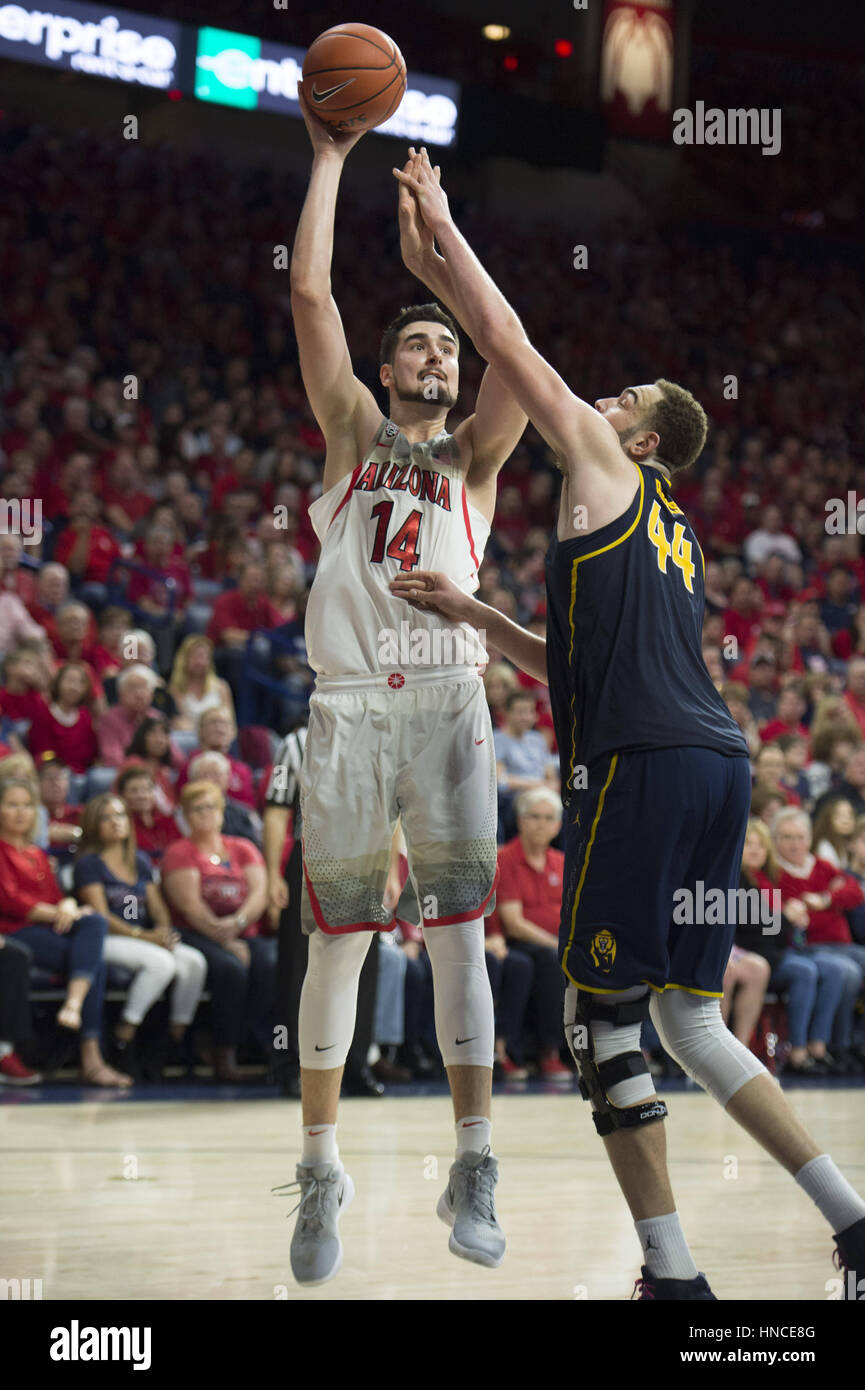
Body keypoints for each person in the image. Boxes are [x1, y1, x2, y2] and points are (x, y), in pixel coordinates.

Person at [389, 146, 865, 1299]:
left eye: (626, 401)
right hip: (715, 764)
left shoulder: (602, 459)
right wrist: (472, 609)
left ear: (641, 439)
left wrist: (445, 223)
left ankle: (671, 1276)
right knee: (690, 1026)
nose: (602, 402)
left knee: (600, 1026)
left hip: (646, 768)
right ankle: (855, 1223)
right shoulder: (668, 531)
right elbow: (577, 661)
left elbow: (507, 347)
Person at [282, 115, 527, 1289]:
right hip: (342, 709)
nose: (437, 355)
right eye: (417, 344)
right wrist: (330, 158)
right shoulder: (351, 433)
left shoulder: (478, 458)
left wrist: (445, 242)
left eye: (446, 346)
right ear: (388, 373)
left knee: (457, 936)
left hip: (446, 703)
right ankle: (320, 1166)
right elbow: (314, 299)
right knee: (336, 952)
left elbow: (510, 345)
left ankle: (472, 1158)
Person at [0, 775, 131, 1087]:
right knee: (91, 961)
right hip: (16, 930)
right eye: (11, 805)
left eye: (27, 805)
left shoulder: (37, 853)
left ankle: (75, 1007)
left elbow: (58, 899)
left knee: (94, 923)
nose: (21, 812)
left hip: (50, 929)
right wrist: (58, 911)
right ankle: (91, 1057)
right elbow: (10, 899)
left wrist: (69, 906)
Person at [73, 793, 207, 1078]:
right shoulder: (89, 864)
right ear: (94, 824)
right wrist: (142, 935)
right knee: (161, 963)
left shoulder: (140, 861)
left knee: (194, 962)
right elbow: (100, 915)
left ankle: (172, 1039)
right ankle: (125, 1034)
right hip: (105, 938)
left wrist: (163, 930)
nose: (116, 822)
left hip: (144, 936)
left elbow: (157, 908)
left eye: (120, 815)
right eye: (106, 817)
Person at [161, 781, 272, 1083]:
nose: (206, 813)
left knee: (271, 963)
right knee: (230, 969)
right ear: (185, 815)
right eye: (197, 808)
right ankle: (223, 1051)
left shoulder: (243, 847)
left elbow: (260, 894)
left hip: (241, 928)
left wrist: (237, 925)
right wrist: (223, 938)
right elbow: (189, 905)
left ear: (222, 812)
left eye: (211, 806)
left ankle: (259, 1043)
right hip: (195, 932)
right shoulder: (180, 852)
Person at [492, 787, 570, 1079]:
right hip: (521, 942)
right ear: (521, 821)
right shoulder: (507, 859)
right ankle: (548, 1051)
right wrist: (556, 943)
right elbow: (513, 922)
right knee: (550, 960)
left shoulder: (562, 862)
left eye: (548, 818)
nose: (541, 823)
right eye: (534, 816)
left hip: (556, 943)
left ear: (558, 826)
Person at [26, 661, 98, 774]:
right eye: (69, 681)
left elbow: (90, 753)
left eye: (80, 683)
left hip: (83, 774)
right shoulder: (43, 714)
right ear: (58, 683)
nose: (74, 687)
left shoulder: (85, 716)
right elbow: (42, 753)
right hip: (53, 773)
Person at [168, 635, 235, 731]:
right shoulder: (175, 689)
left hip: (217, 735)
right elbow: (180, 722)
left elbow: (230, 722)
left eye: (204, 657)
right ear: (184, 660)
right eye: (195, 656)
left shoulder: (222, 687)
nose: (200, 662)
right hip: (189, 737)